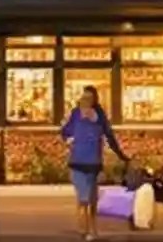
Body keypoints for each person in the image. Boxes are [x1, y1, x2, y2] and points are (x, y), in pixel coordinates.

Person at [61, 86, 128, 241]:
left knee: (92, 199)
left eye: (89, 98)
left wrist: (121, 155)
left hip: (93, 163)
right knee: (83, 198)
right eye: (83, 98)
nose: (85, 101)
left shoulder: (100, 116)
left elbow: (109, 136)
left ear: (94, 100)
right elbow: (65, 131)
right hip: (77, 162)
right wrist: (69, 140)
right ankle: (85, 230)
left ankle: (91, 228)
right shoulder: (75, 114)